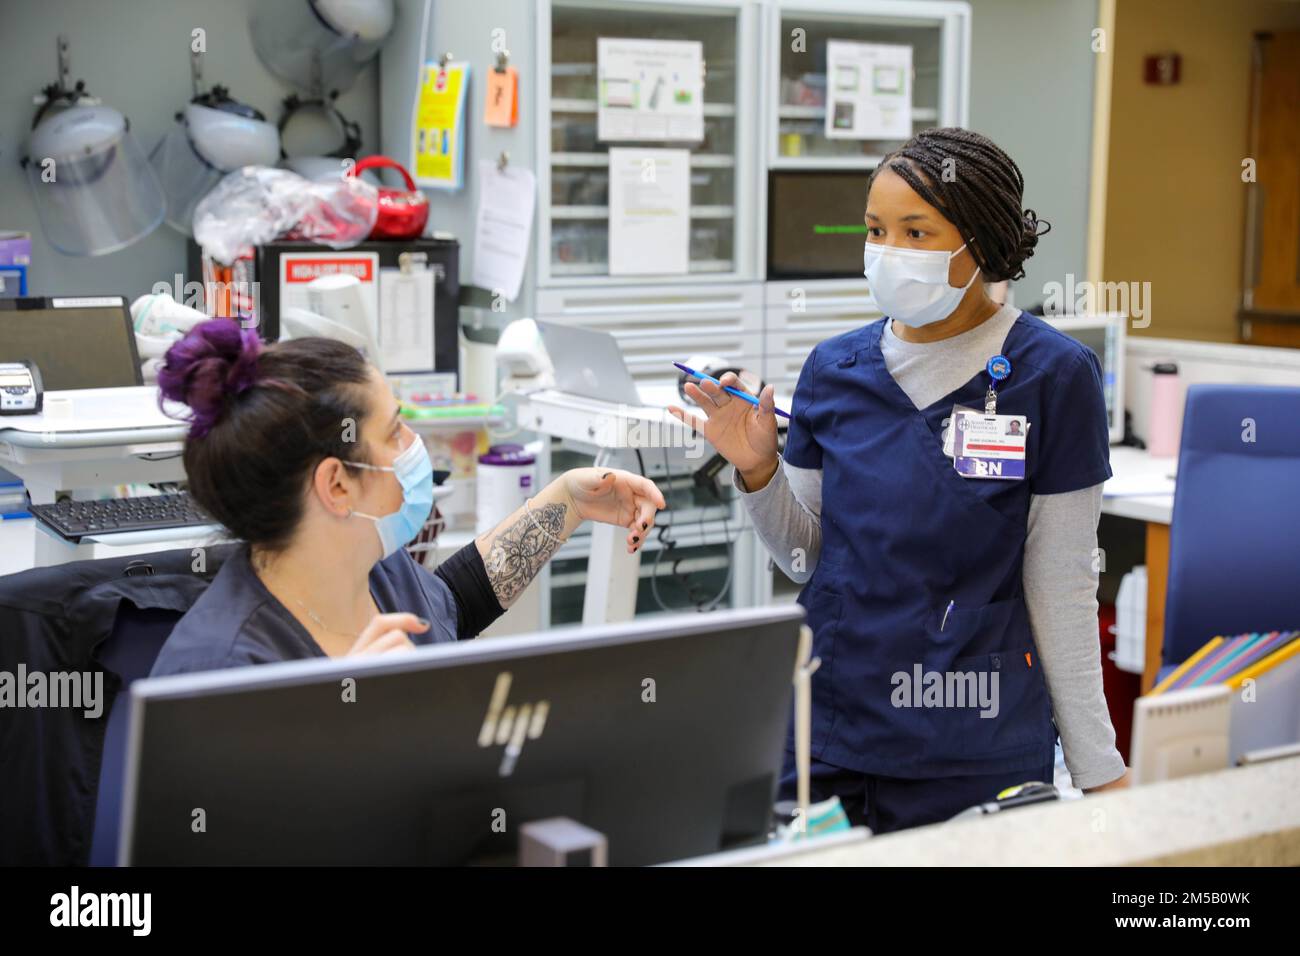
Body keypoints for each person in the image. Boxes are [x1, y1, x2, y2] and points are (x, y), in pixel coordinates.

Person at [670, 127, 1128, 834]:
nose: (888, 253)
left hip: (973, 740)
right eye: (877, 230)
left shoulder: (1055, 377)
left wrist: (1099, 769)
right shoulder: (835, 369)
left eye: (916, 232)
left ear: (981, 241)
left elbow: (1062, 583)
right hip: (833, 725)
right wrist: (757, 468)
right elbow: (806, 558)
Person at [150, 319, 665, 675]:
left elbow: (451, 608)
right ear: (336, 485)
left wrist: (567, 503)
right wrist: (340, 721)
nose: (414, 446)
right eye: (395, 431)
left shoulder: (376, 568)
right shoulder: (222, 666)